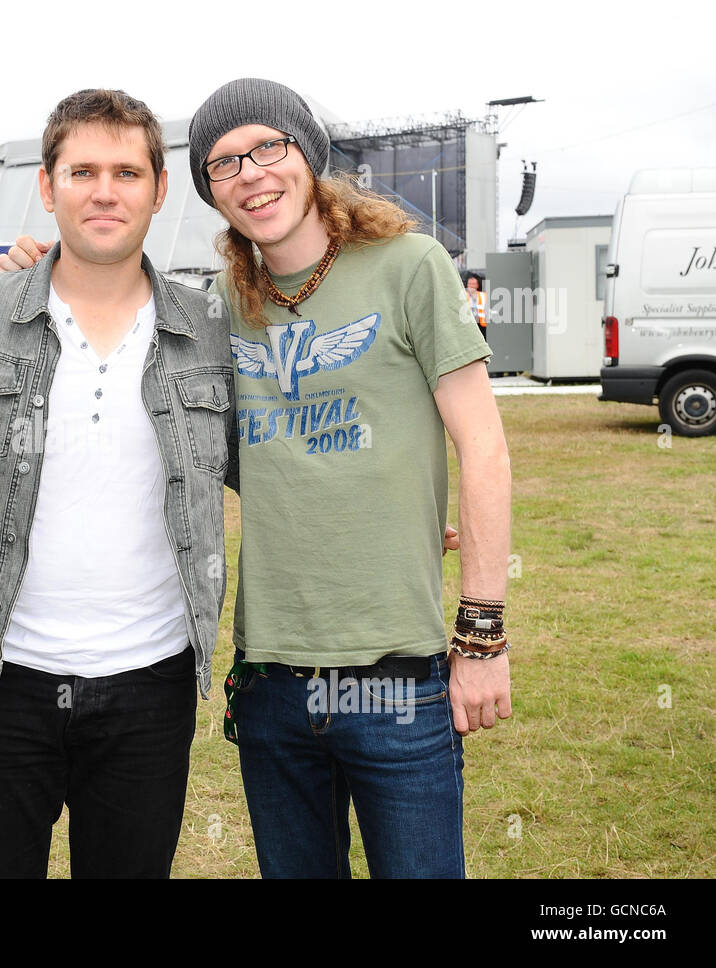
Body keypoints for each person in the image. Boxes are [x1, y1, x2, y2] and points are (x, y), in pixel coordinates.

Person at [189, 78, 511, 878]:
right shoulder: (221, 304)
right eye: (223, 163)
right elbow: (237, 448)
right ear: (210, 190)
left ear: (309, 153)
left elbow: (484, 447)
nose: (251, 174)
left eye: (268, 147)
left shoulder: (410, 267)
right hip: (270, 680)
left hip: (396, 683)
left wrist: (481, 637)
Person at [0, 89, 236, 879]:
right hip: (1, 679)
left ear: (159, 191)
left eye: (127, 173)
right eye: (83, 172)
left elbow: (272, 466)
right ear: (47, 186)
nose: (105, 192)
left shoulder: (211, 329)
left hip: (151, 683)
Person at [464, 272, 487, 340]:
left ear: (477, 285)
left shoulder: (483, 295)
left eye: (473, 284)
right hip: (468, 324)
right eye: (469, 284)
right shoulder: (463, 295)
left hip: (481, 324)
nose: (471, 286)